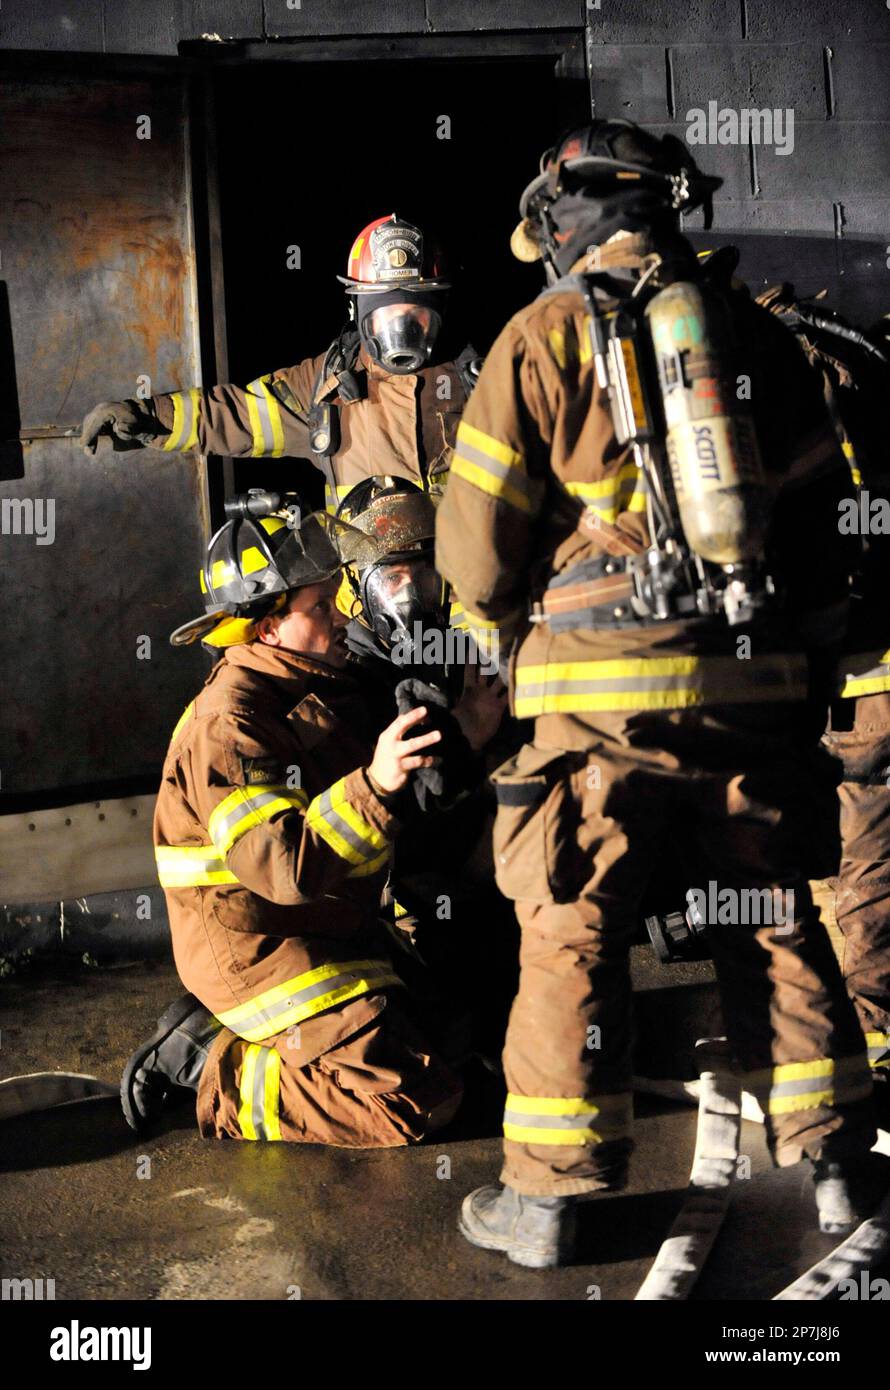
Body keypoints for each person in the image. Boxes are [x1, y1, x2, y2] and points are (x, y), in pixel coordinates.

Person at [435, 118, 881, 1267]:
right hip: (755, 695)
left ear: (562, 221)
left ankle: (547, 1200)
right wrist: (799, 672)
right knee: (770, 915)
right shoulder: (757, 341)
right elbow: (830, 532)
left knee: (574, 926)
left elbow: (478, 556)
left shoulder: (536, 336)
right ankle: (831, 1166)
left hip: (599, 712)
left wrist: (502, 651)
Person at [121, 495, 462, 1145]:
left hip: (332, 930)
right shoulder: (231, 724)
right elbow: (283, 868)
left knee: (470, 1039)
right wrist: (375, 783)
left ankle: (227, 1033)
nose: (340, 618)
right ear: (265, 627)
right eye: (319, 607)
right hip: (264, 953)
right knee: (414, 1104)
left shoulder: (307, 683)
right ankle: (211, 1068)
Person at [79, 214, 481, 520]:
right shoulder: (326, 386)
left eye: (416, 313)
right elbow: (236, 415)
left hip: (465, 602)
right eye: (387, 314)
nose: (403, 331)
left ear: (440, 311)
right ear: (359, 314)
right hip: (363, 608)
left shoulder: (483, 380)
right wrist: (148, 416)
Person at [757, 285, 890, 1125]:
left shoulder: (766, 398)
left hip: (828, 675)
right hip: (860, 666)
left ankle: (852, 1064)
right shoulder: (854, 368)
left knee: (832, 867)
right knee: (864, 860)